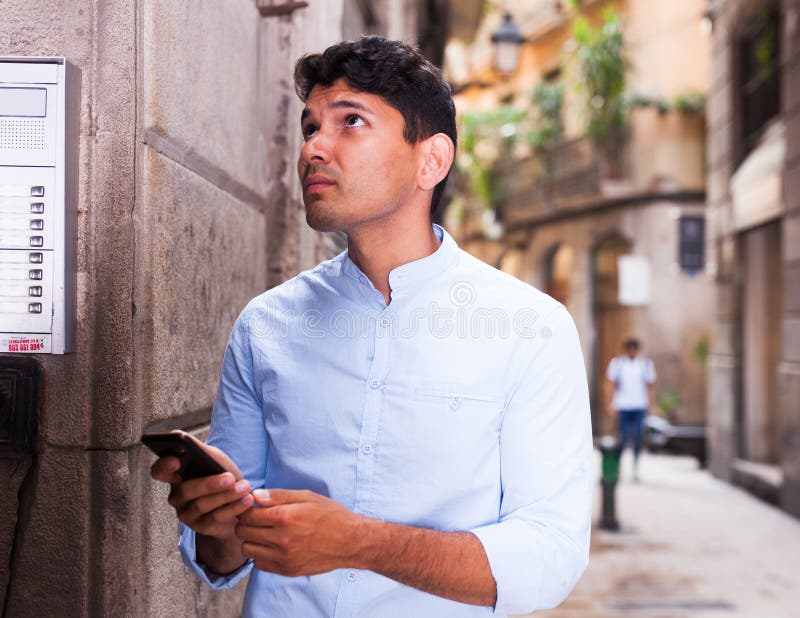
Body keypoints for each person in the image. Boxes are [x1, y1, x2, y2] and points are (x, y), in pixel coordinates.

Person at [151, 36, 593, 617]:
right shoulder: (267, 325)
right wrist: (217, 519)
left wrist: (358, 542)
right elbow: (225, 556)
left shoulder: (530, 328)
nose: (314, 149)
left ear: (431, 160)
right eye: (311, 128)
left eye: (350, 122)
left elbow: (549, 556)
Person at [605, 338, 657, 481]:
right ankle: (618, 467)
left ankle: (635, 468)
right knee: (622, 437)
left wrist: (650, 404)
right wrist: (610, 404)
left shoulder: (645, 365)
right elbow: (610, 384)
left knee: (638, 437)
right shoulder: (618, 364)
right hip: (623, 405)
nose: (632, 351)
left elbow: (650, 385)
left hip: (639, 405)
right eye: (630, 348)